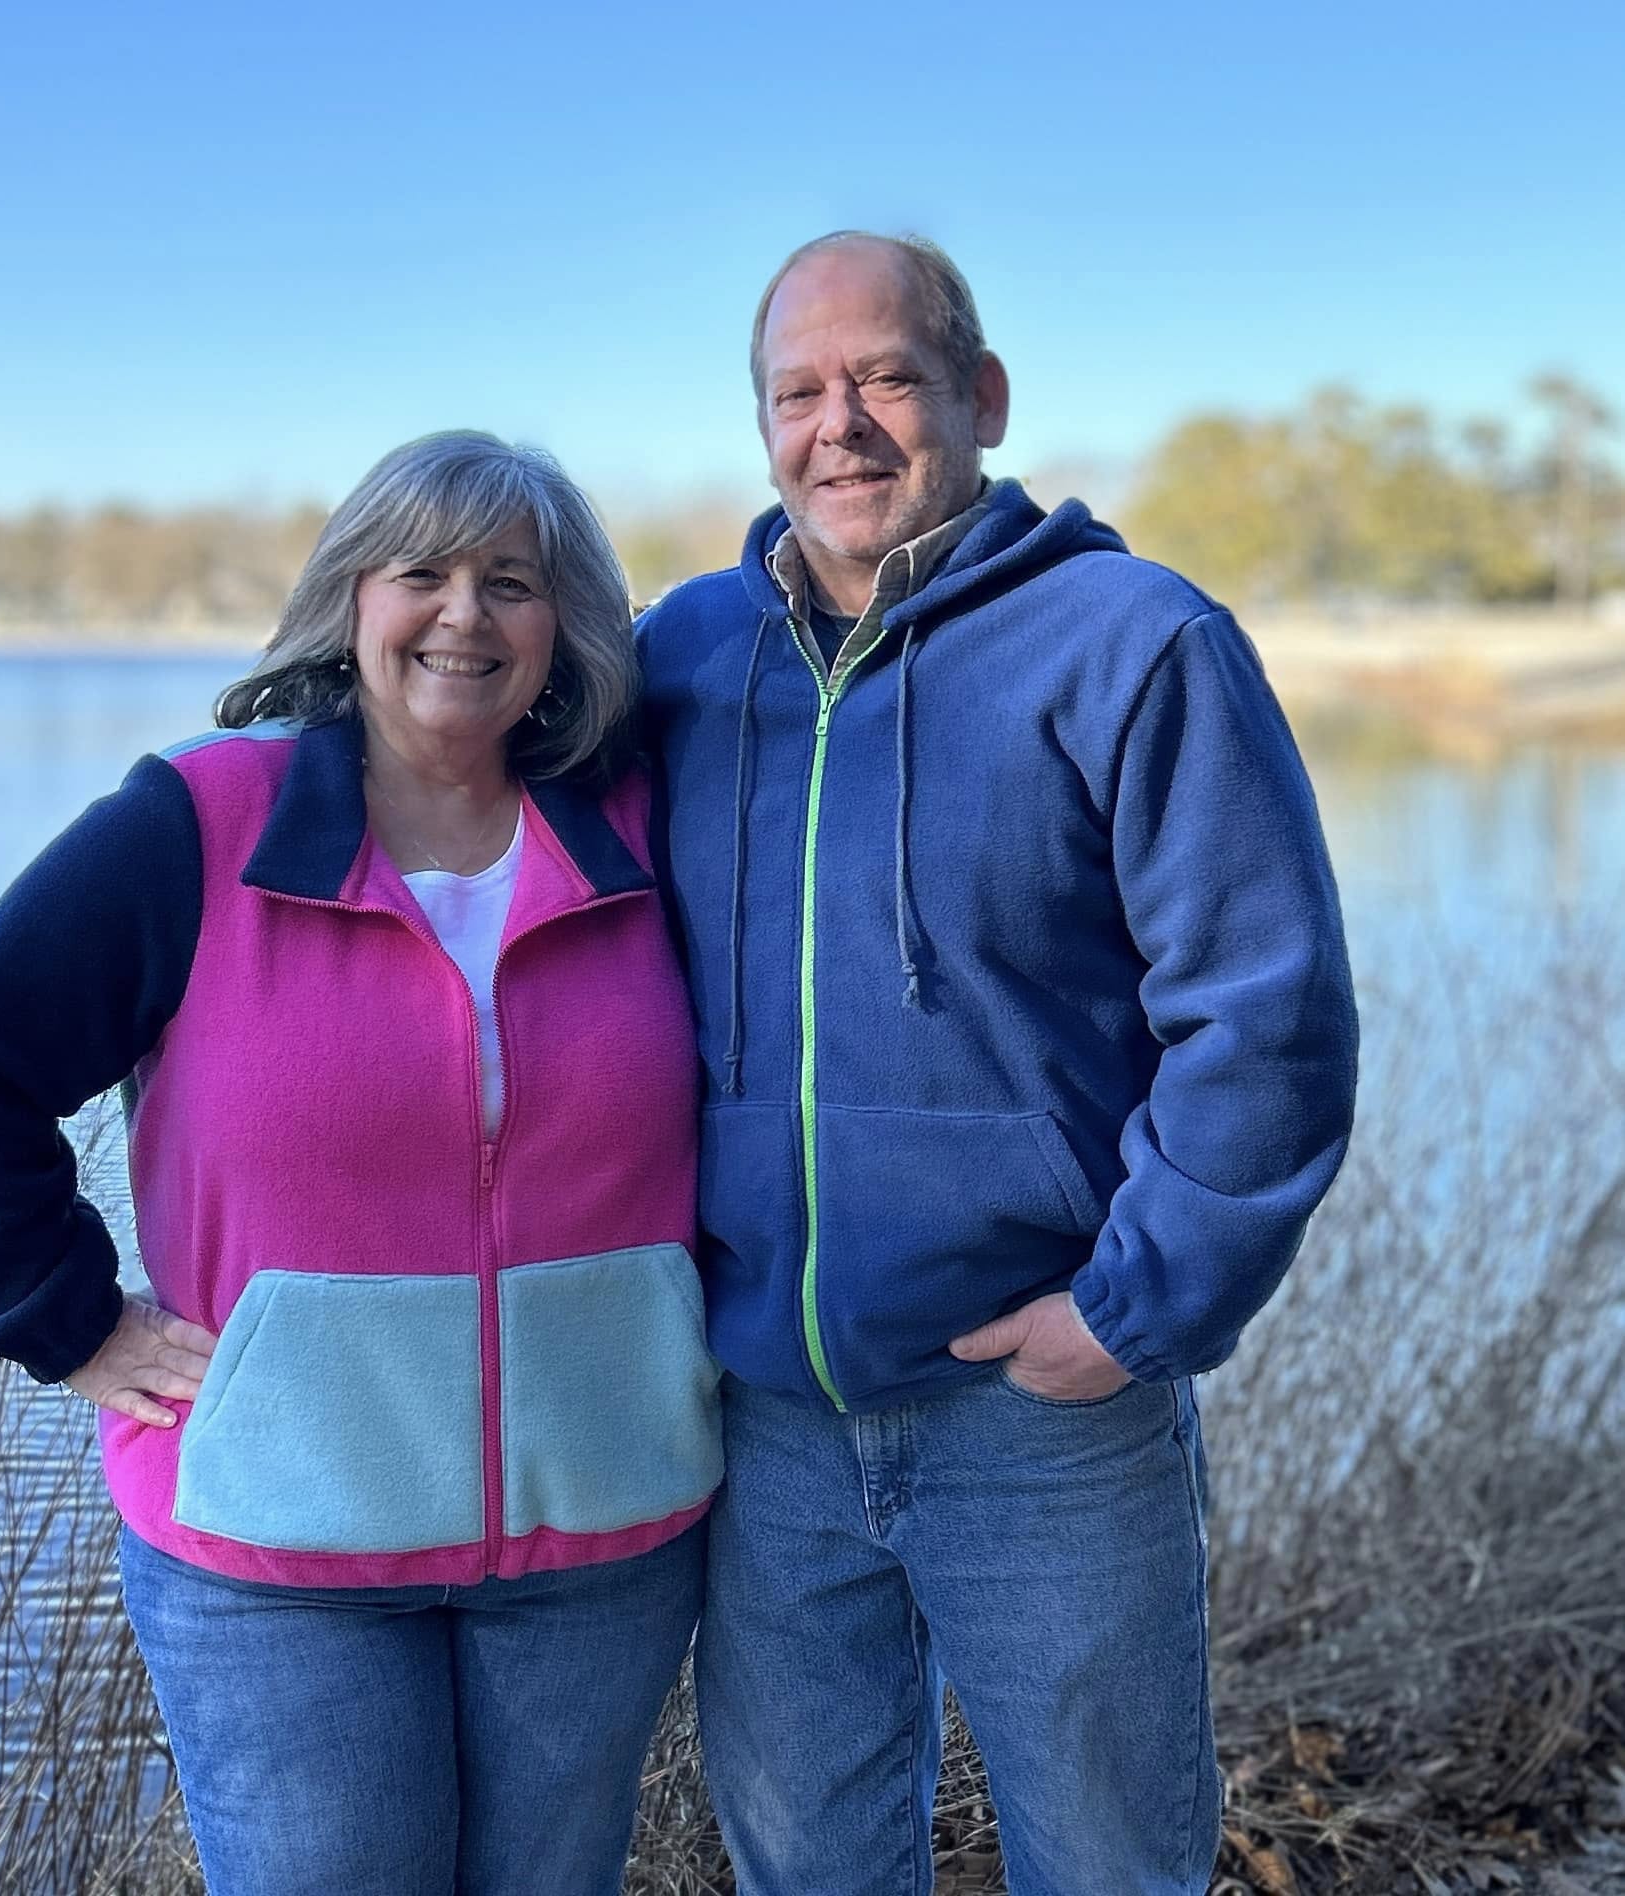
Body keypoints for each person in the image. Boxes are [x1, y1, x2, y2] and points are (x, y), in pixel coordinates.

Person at [0, 431, 722, 1896]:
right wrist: (69, 1321)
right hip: (279, 1552)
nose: (465, 616)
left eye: (511, 584)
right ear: (351, 603)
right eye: (423, 575)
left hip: (601, 1546)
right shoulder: (201, 821)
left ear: (563, 626)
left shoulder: (645, 828)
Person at [636, 233, 1360, 1895]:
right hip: (765, 1420)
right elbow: (447, 731)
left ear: (982, 394)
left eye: (887, 377)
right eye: (798, 392)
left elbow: (1270, 1018)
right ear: (761, 425)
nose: (844, 427)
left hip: (1043, 1407)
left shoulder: (1134, 644)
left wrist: (1131, 1312)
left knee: (1112, 1868)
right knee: (810, 1871)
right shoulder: (680, 659)